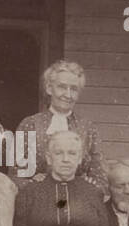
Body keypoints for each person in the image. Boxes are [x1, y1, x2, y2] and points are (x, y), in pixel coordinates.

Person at [12, 60, 108, 194]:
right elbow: (16, 174)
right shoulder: (30, 124)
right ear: (49, 88)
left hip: (78, 200)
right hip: (39, 199)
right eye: (62, 87)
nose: (68, 95)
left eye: (74, 89)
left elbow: (100, 177)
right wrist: (35, 186)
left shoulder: (88, 128)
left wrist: (87, 187)